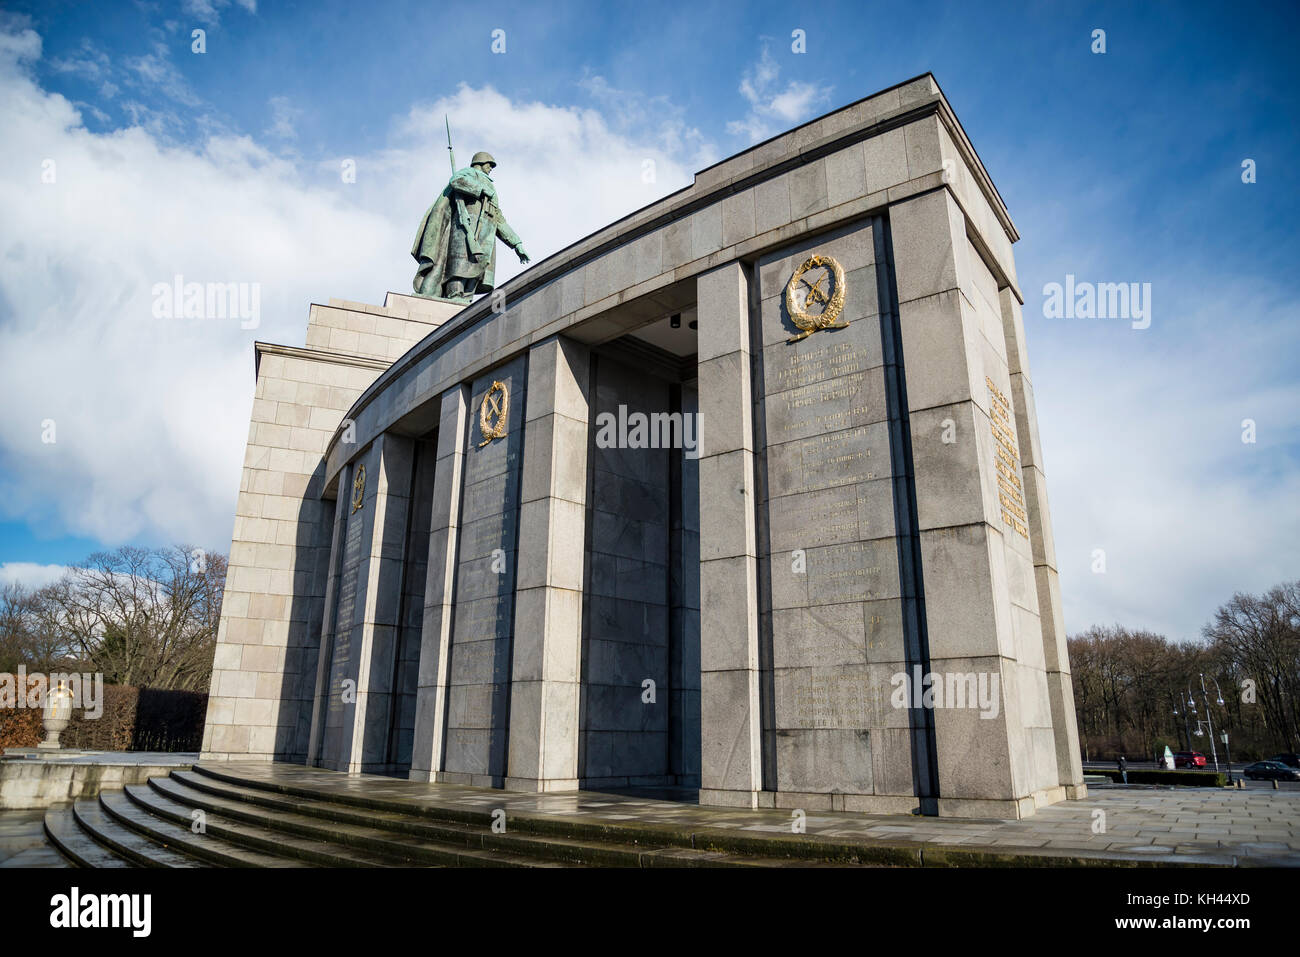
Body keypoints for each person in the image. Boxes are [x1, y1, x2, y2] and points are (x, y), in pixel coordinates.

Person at [411, 151, 530, 302]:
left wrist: (516, 244)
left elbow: (498, 218)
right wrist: (480, 189)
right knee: (460, 263)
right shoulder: (470, 173)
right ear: (480, 163)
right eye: (489, 164)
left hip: (485, 234)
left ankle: (466, 297)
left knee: (477, 267)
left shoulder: (490, 185)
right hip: (465, 227)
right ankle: (455, 294)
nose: (491, 168)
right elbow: (456, 180)